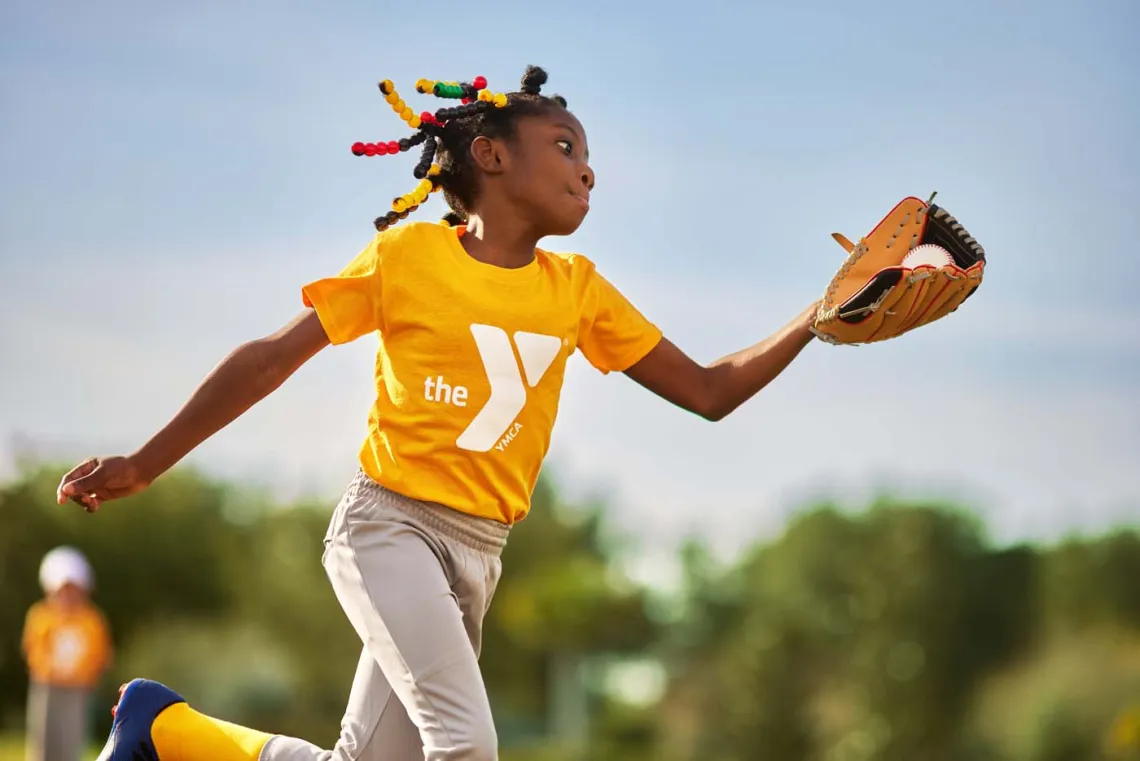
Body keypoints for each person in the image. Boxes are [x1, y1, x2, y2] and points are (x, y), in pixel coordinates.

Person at [57, 66, 819, 761]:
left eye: (587, 153)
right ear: (489, 156)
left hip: (479, 552)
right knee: (465, 745)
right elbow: (266, 360)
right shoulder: (407, 259)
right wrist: (144, 462)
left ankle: (165, 729)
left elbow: (709, 391)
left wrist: (816, 316)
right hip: (388, 527)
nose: (585, 166)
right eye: (562, 144)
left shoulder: (579, 289)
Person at [22, 546, 114, 761]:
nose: (67, 595)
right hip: (47, 687)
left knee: (70, 742)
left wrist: (86, 676)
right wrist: (49, 670)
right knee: (42, 742)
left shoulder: (92, 621)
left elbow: (100, 654)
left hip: (77, 690)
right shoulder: (41, 616)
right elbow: (33, 650)